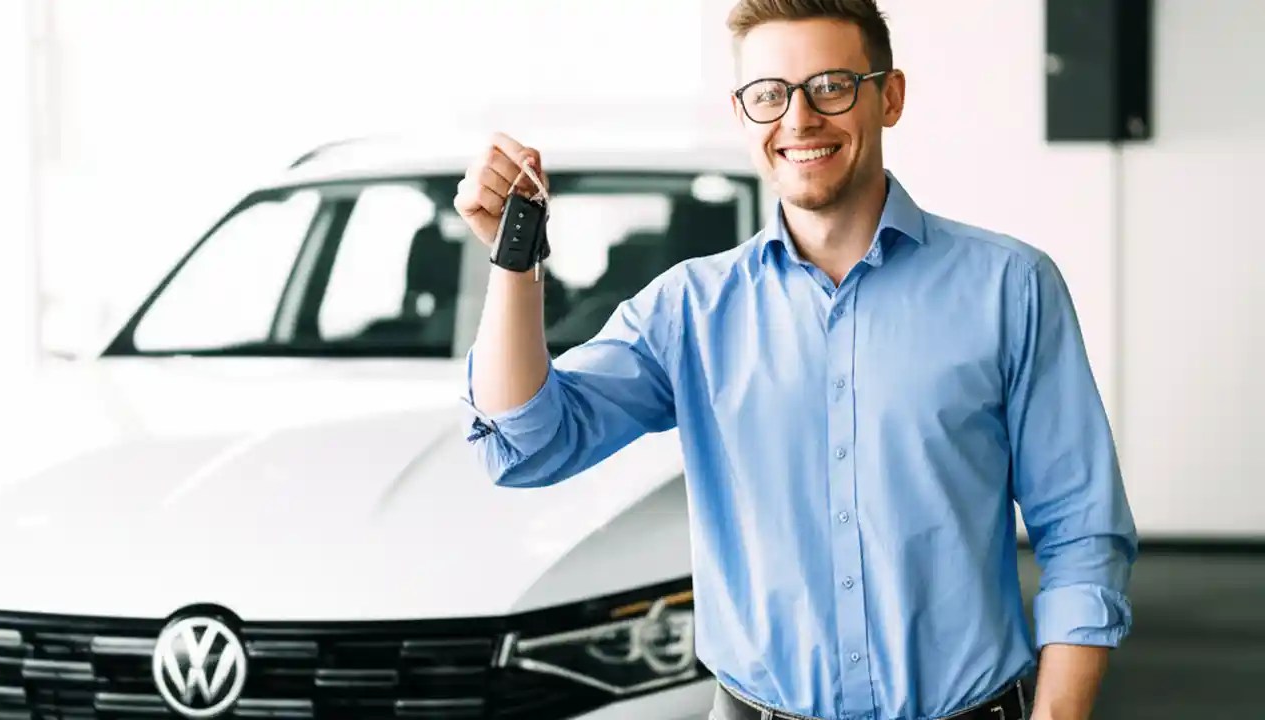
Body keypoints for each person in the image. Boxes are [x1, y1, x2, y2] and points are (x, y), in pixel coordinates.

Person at [452, 1, 1138, 718]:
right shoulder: (691, 308)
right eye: (770, 94)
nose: (800, 118)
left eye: (832, 85)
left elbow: (1082, 530)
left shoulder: (1010, 287)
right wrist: (513, 257)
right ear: (743, 112)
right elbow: (526, 444)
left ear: (890, 96)